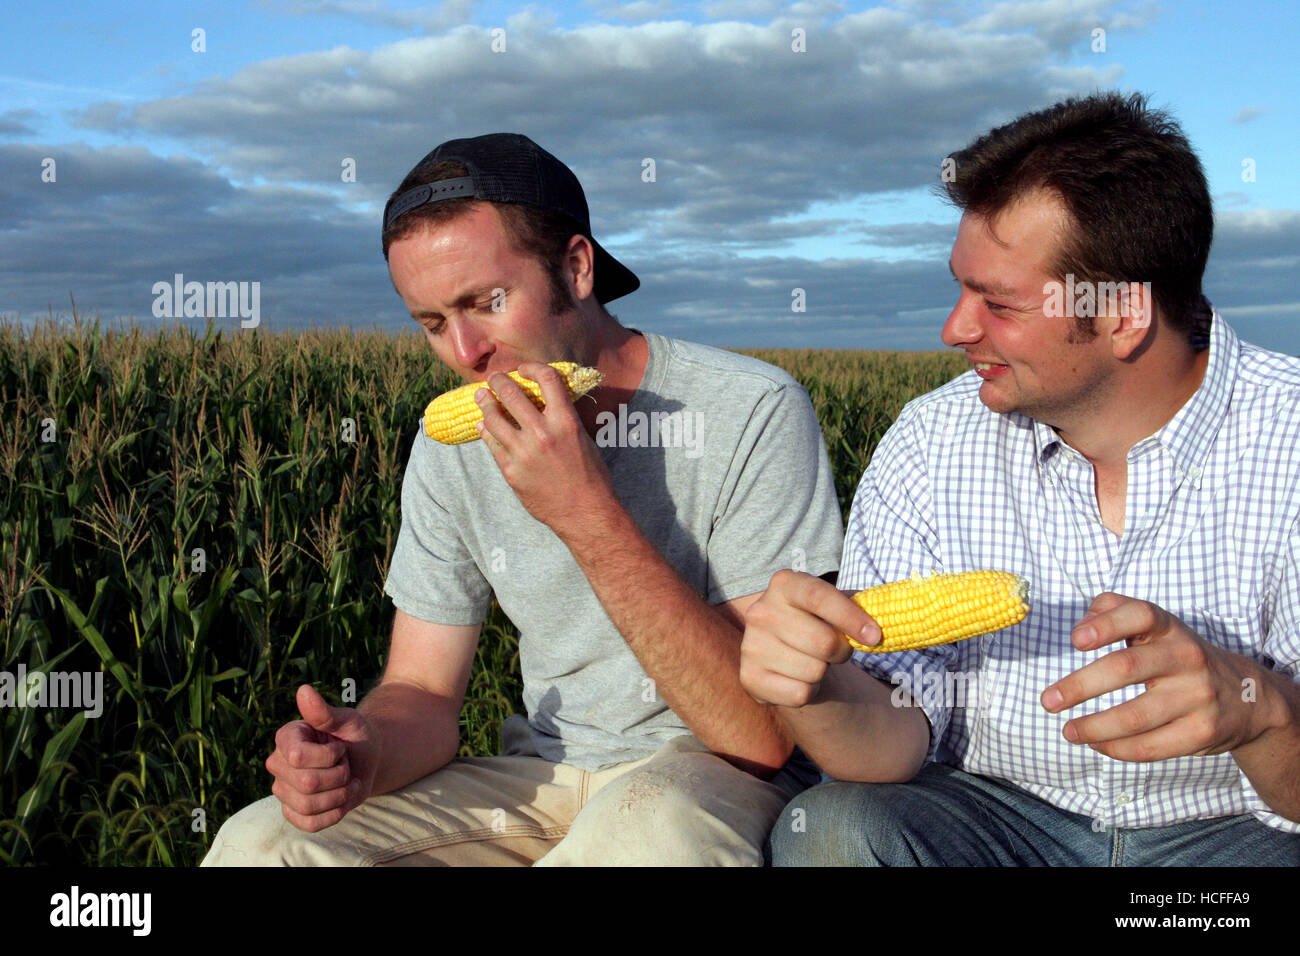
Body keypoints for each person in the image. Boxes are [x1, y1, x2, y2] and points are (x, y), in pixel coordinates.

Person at [201, 132, 842, 866]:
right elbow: (424, 691)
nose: (464, 353)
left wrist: (584, 510)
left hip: (714, 779)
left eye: (487, 302)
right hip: (542, 779)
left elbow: (759, 734)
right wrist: (365, 753)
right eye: (433, 323)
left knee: (644, 831)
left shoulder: (750, 411)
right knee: (261, 843)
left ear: (575, 267)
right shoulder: (450, 450)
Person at [739, 92, 1300, 866]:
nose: (955, 329)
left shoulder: (1290, 439)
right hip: (999, 824)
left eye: (996, 303)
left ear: (1123, 315)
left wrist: (1264, 715)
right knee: (835, 829)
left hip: (1237, 837)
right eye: (961, 288)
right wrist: (813, 686)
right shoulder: (933, 441)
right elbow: (892, 741)